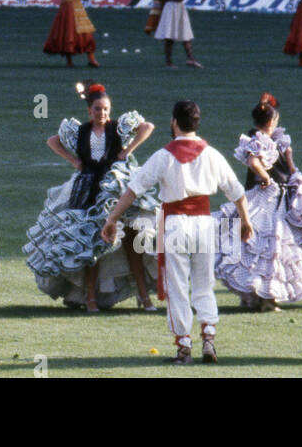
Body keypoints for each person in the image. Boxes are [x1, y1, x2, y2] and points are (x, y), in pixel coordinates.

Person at [100, 100, 252, 365]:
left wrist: (112, 219)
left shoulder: (164, 155)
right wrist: (246, 222)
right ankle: (209, 337)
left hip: (175, 224)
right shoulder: (211, 154)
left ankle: (184, 346)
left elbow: (133, 190)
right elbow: (236, 191)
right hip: (204, 223)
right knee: (204, 283)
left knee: (178, 287)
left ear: (174, 122)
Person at [26, 83, 158, 311]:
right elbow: (52, 140)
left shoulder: (117, 128)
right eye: (98, 109)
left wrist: (128, 151)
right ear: (89, 110)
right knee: (90, 245)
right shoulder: (81, 131)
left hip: (115, 189)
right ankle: (90, 298)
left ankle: (144, 296)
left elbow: (147, 126)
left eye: (106, 109)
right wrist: (73, 160)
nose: (103, 113)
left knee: (131, 243)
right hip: (87, 190)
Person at [214, 93, 302, 311]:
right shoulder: (259, 139)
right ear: (272, 120)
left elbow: (282, 167)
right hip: (268, 200)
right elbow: (253, 161)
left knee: (256, 249)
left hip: (273, 198)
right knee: (270, 248)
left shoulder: (274, 140)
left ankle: (255, 296)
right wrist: (265, 177)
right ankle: (266, 298)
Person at [43, 0, 99, 67]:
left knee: (82, 33)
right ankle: (72, 61)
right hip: (69, 8)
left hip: (75, 6)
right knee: (70, 33)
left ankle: (91, 59)